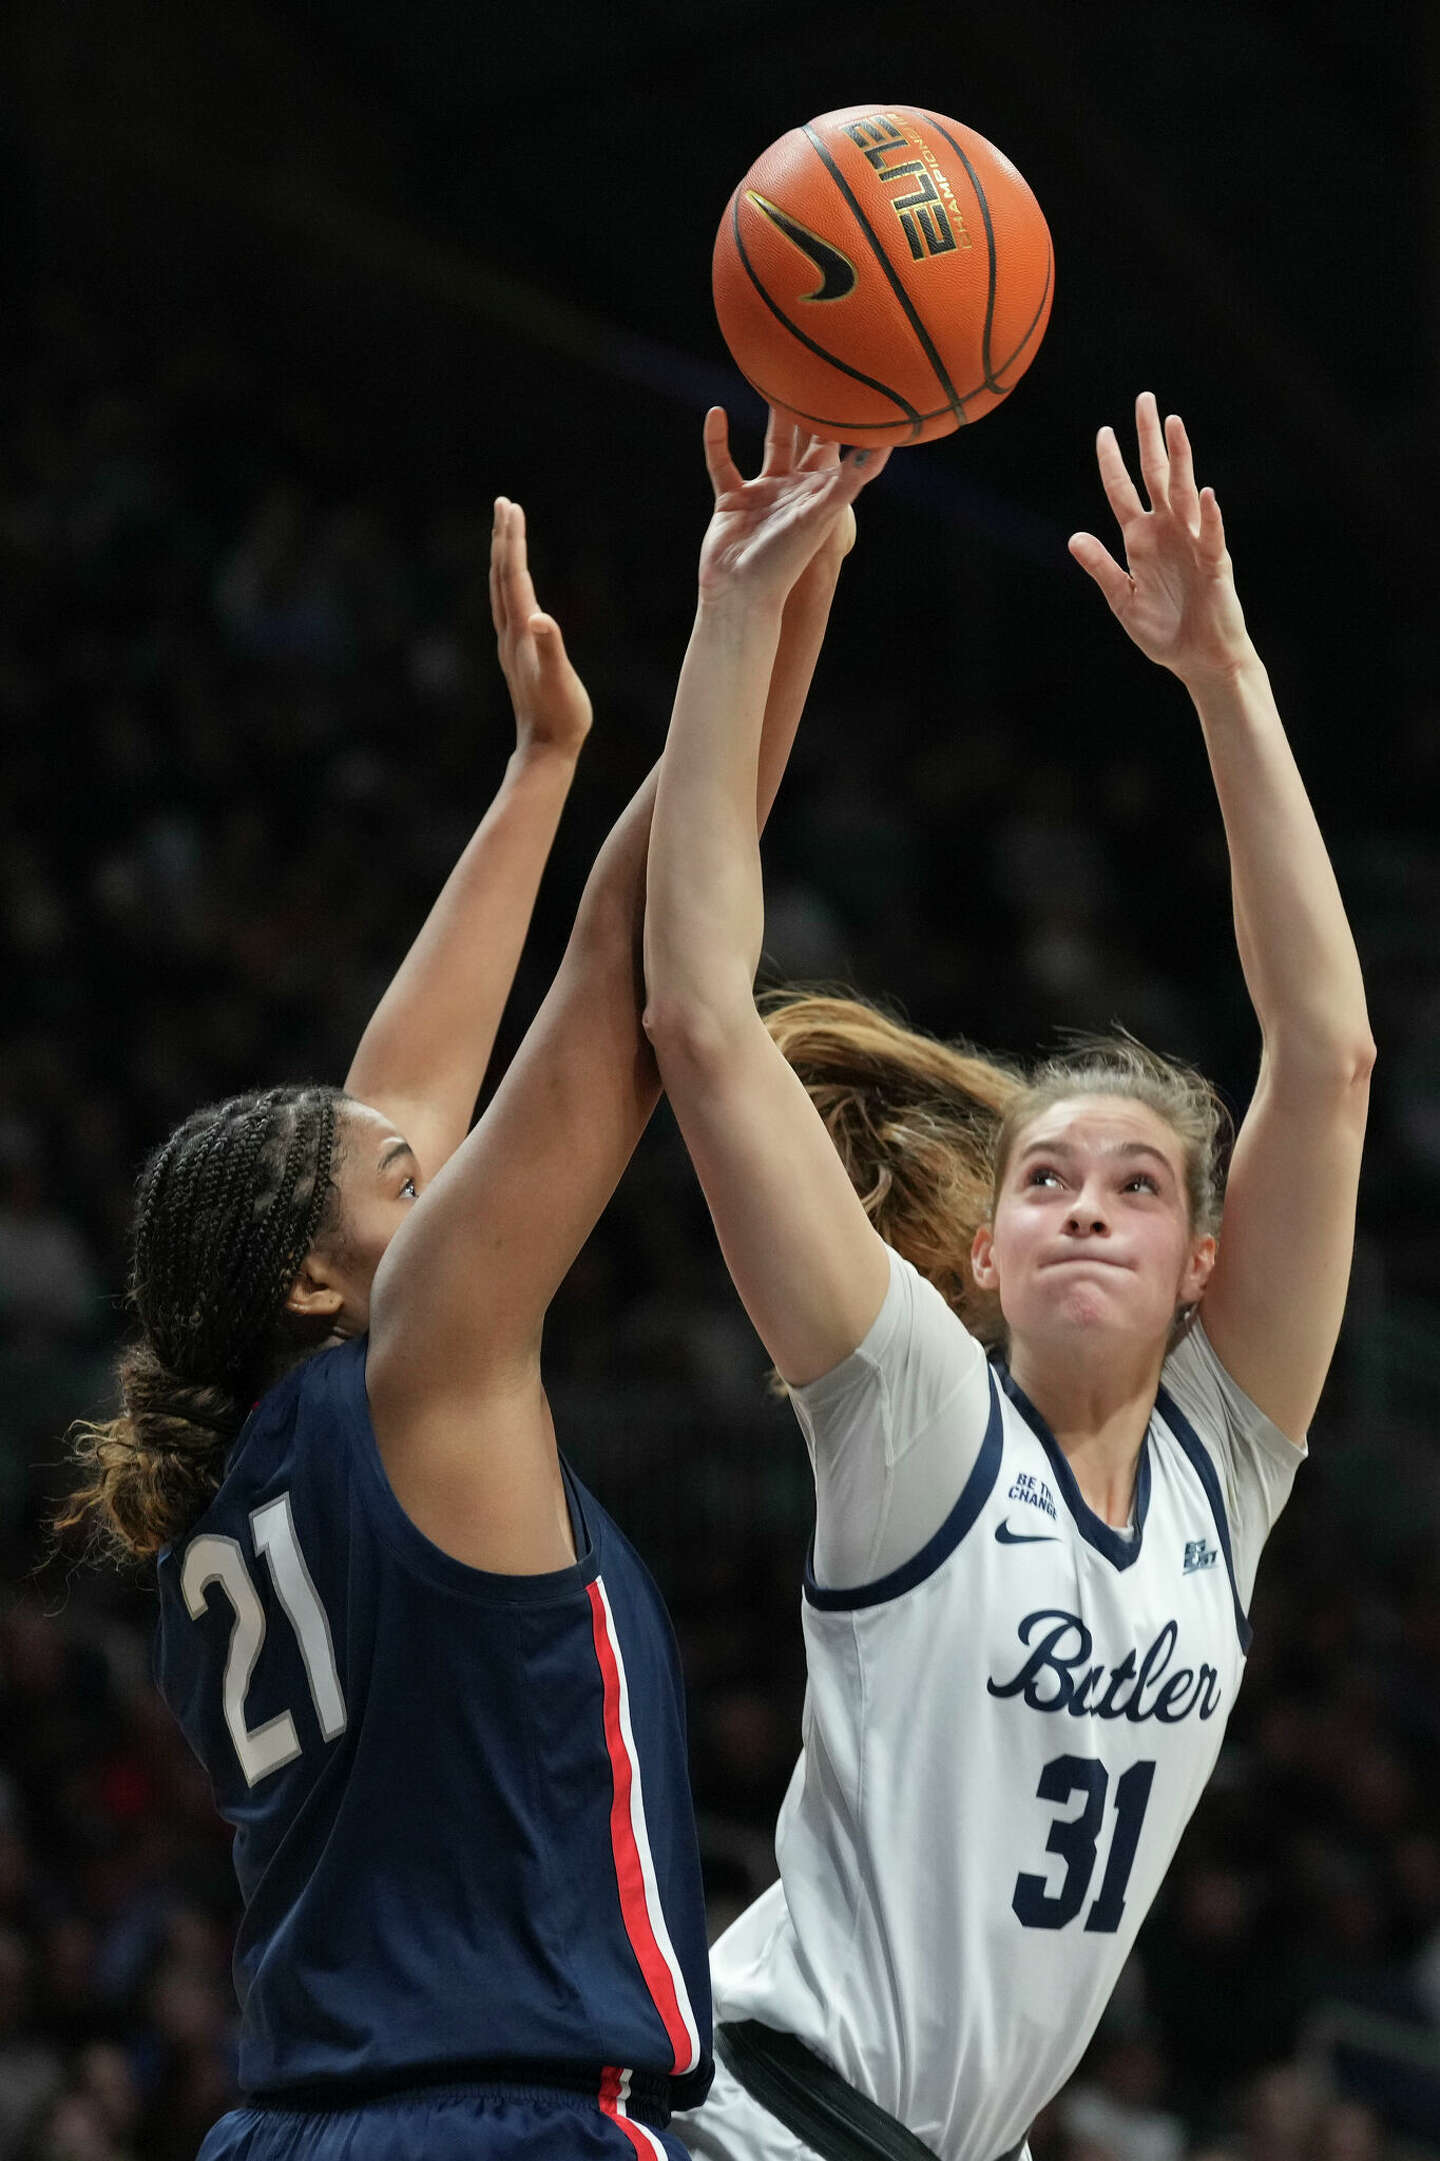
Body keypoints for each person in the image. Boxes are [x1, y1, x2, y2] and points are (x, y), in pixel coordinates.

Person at [56, 466, 878, 2161]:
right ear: (314, 1276)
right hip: (493, 2121)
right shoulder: (417, 1373)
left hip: (289, 2125)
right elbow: (626, 979)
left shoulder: (243, 1467)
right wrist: (754, 600)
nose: (444, 1178)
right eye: (406, 1183)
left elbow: (398, 1089)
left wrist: (546, 763)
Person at [642, 395, 1374, 2161]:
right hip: (763, 2115)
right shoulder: (916, 1409)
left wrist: (1225, 676)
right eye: (1046, 1180)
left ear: (1206, 1262)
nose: (1087, 1208)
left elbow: (1328, 1051)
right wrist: (736, 611)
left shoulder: (1229, 1466)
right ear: (985, 1249)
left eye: (1137, 1185)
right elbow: (701, 1023)